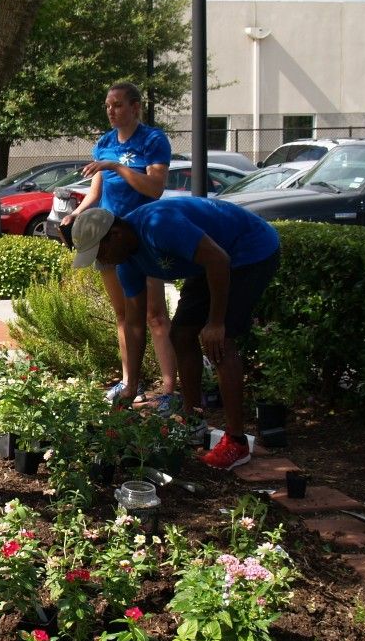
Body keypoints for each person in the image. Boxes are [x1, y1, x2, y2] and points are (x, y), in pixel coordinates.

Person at [70, 198, 280, 471]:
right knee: (181, 334)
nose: (101, 261)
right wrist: (130, 386)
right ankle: (193, 420)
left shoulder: (160, 225)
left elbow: (219, 259)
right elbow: (134, 325)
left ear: (116, 234)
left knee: (222, 343)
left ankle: (236, 442)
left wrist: (216, 322)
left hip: (249, 252)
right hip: (213, 261)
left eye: (100, 252)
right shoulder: (127, 262)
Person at [59, 82, 178, 414]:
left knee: (154, 316)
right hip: (108, 241)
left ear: (135, 107)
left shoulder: (153, 140)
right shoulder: (104, 143)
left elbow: (154, 189)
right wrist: (76, 215)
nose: (111, 111)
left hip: (141, 236)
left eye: (118, 105)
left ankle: (169, 388)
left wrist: (117, 168)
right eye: (107, 105)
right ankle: (130, 384)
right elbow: (96, 193)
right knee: (124, 316)